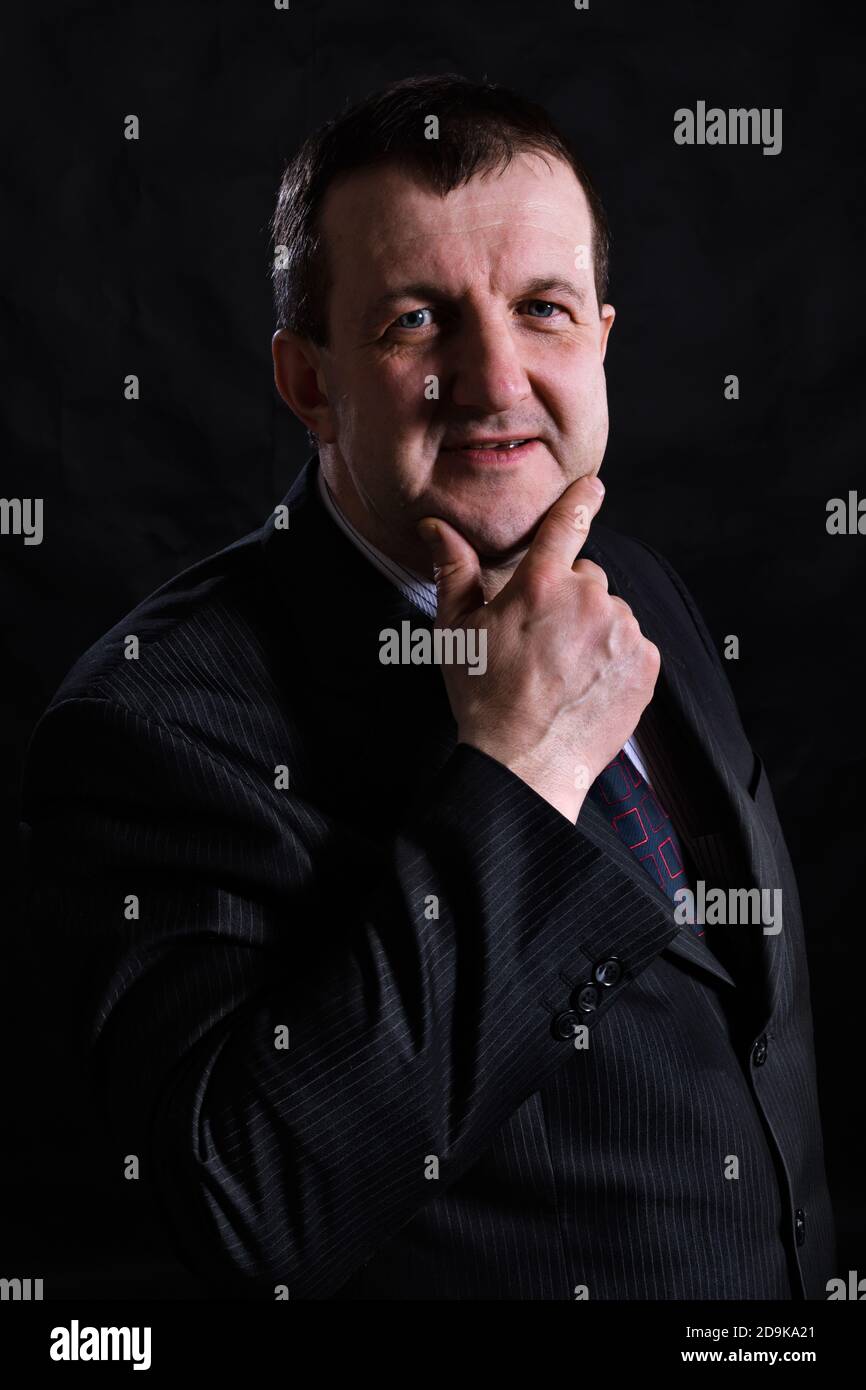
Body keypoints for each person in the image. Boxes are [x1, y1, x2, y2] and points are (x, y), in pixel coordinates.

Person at [21, 72, 835, 1300]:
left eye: (543, 309)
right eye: (417, 321)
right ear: (308, 382)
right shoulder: (152, 723)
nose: (497, 379)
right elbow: (252, 1207)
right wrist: (522, 767)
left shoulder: (636, 588)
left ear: (601, 340)